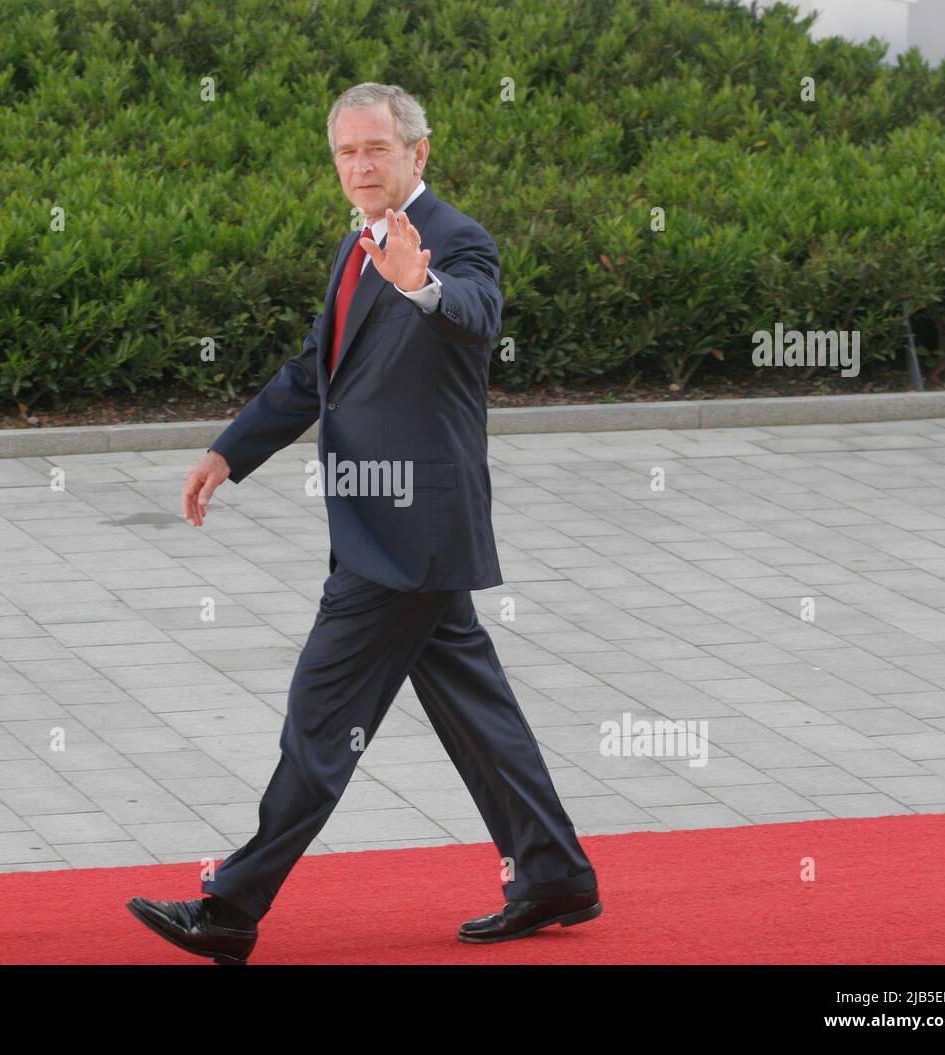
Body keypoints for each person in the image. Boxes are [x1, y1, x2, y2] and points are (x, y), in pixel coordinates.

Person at [127, 82, 599, 965]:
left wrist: (421, 285)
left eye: (376, 149)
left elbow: (476, 314)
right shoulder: (355, 248)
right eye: (346, 152)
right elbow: (316, 372)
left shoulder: (453, 242)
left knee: (319, 714)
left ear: (419, 153)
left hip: (408, 538)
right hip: (387, 531)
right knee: (474, 707)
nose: (360, 167)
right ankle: (553, 872)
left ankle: (231, 906)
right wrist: (228, 452)